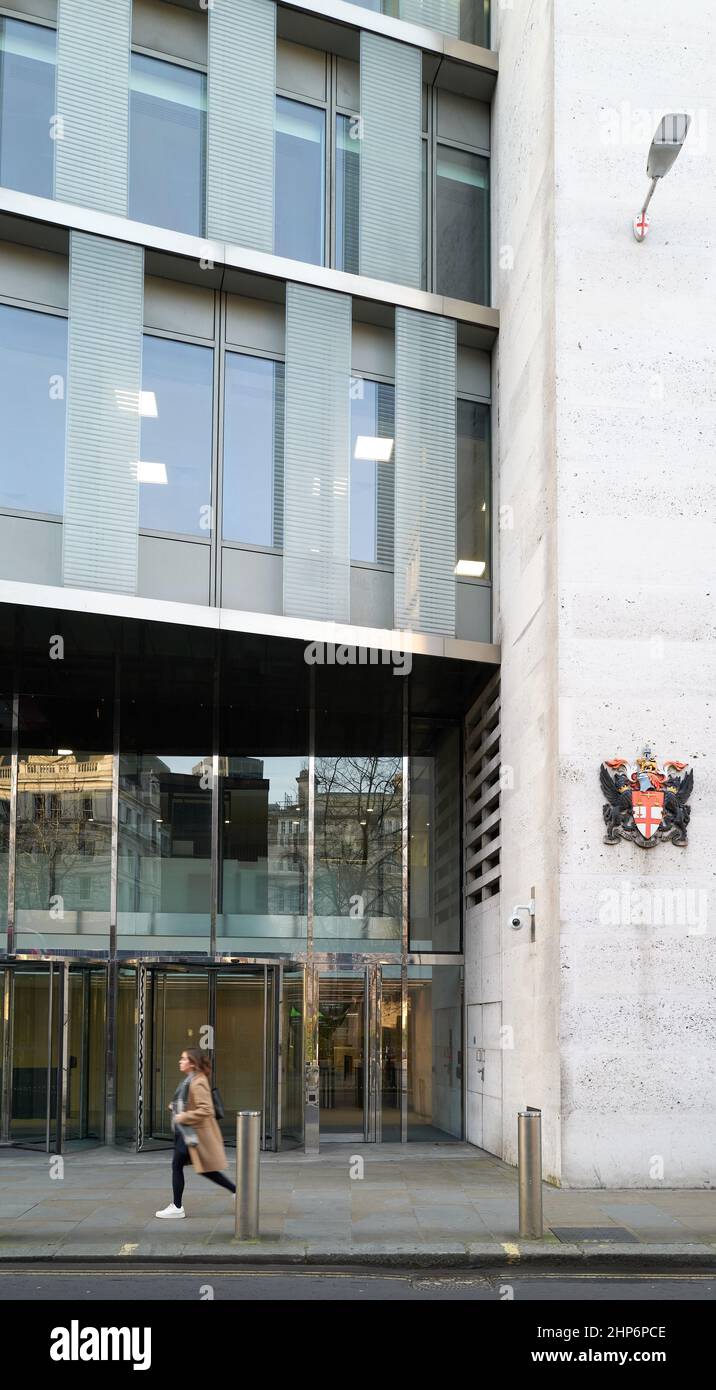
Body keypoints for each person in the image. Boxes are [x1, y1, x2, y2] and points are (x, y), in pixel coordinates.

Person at [155, 1047, 236, 1219]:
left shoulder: (198, 1081)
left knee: (179, 1166)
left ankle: (177, 1207)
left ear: (192, 1063)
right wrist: (176, 1107)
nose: (180, 1061)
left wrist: (183, 1115)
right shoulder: (190, 1080)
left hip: (193, 1132)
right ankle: (237, 1191)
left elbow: (206, 1109)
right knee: (204, 1169)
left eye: (183, 1059)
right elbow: (188, 1101)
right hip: (189, 1132)